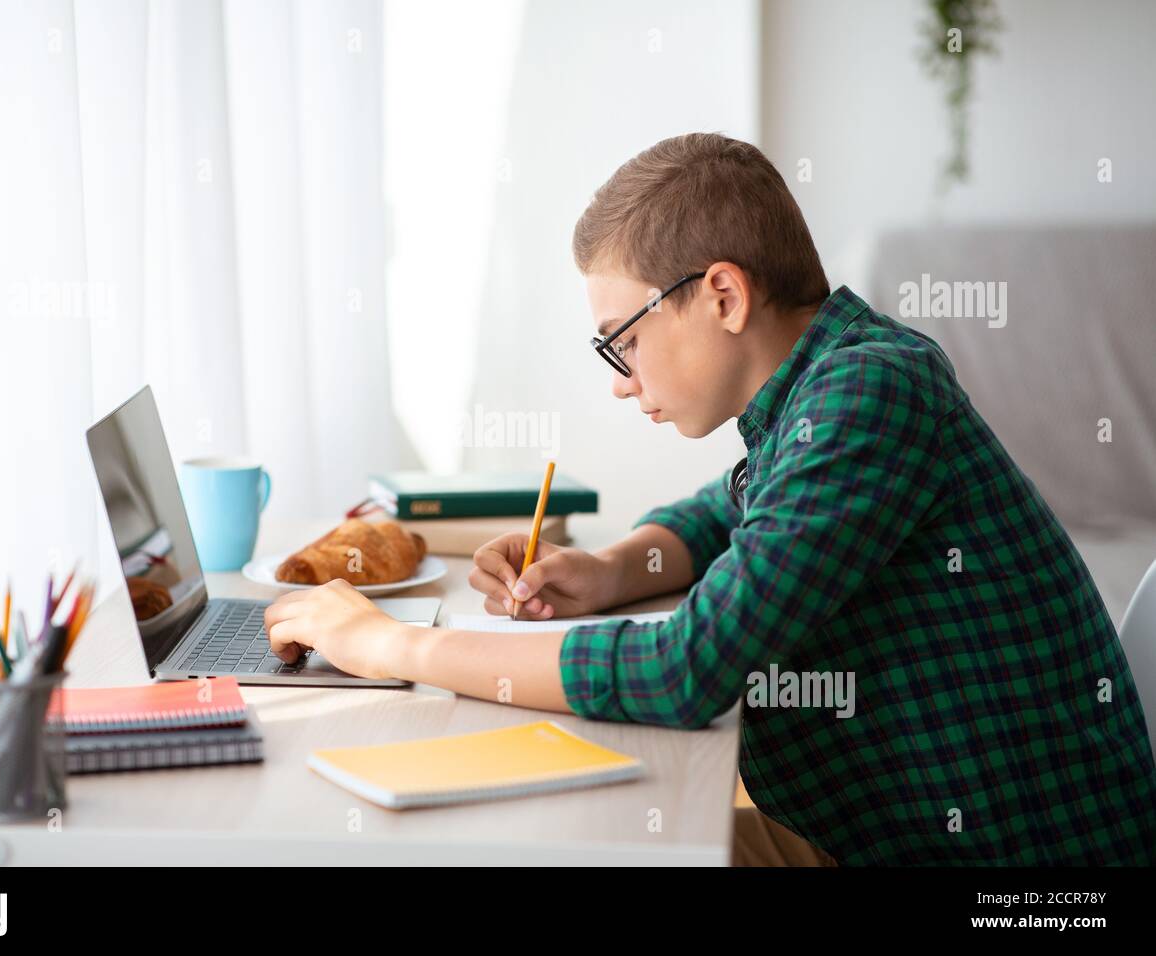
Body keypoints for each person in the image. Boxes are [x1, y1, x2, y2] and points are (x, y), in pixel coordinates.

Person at [264, 133, 1156, 865]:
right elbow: (725, 513)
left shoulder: (873, 394)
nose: (621, 381)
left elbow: (688, 671)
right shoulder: (828, 382)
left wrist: (391, 642)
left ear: (722, 295)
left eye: (622, 343)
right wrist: (608, 570)